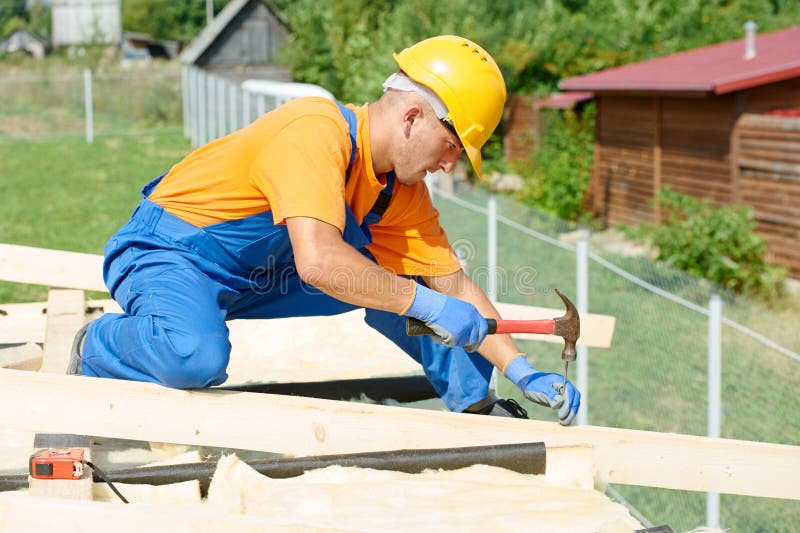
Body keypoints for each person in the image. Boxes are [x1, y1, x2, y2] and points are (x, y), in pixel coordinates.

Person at [74, 35, 581, 425]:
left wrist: (521, 369)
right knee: (195, 357)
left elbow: (455, 287)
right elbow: (318, 262)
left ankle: (475, 409)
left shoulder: (400, 192)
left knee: (418, 285)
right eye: (453, 147)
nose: (450, 165)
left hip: (258, 273)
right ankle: (97, 344)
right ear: (412, 118)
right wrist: (427, 305)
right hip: (170, 252)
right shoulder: (315, 132)